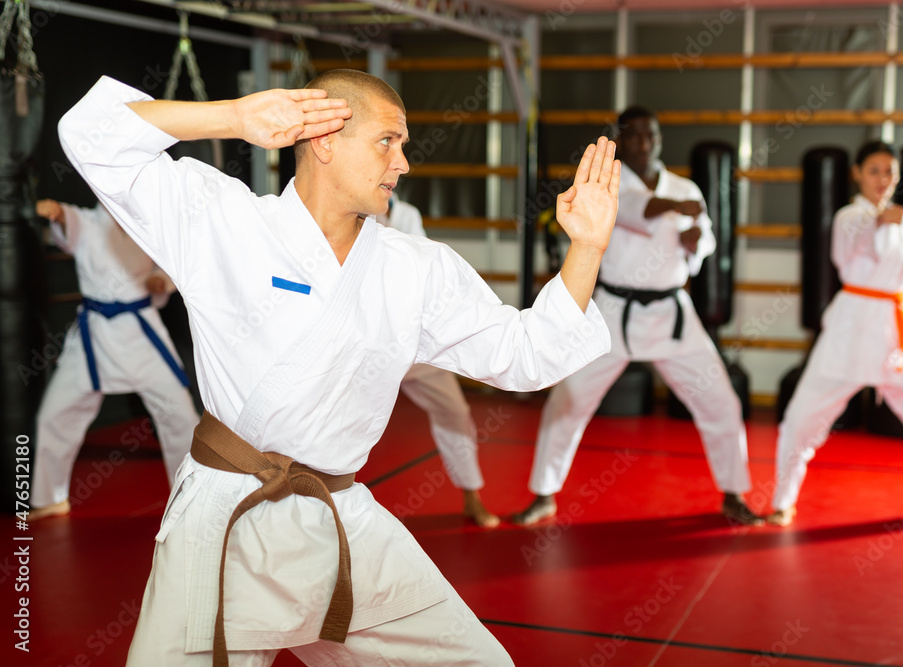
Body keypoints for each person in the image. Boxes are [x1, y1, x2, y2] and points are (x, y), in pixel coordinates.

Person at [58, 70, 619, 666]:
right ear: (324, 139)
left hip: (339, 518)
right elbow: (90, 133)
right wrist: (233, 117)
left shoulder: (416, 269)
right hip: (226, 518)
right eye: (388, 141)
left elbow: (526, 354)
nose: (403, 163)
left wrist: (586, 248)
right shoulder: (225, 222)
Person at [513, 105, 759, 527]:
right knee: (568, 400)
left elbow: (706, 243)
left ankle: (734, 493)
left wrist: (696, 239)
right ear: (621, 141)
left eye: (651, 136)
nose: (644, 144)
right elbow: (635, 211)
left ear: (660, 141)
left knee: (721, 400)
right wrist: (675, 210)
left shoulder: (686, 188)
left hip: (671, 312)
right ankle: (544, 494)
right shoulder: (610, 185)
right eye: (635, 136)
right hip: (611, 311)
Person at [767, 141, 903, 527]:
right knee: (802, 416)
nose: (882, 180)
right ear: (856, 173)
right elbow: (850, 258)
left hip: (893, 332)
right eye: (874, 171)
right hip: (850, 329)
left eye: (889, 172)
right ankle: (782, 501)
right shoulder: (851, 217)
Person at [28, 198, 200, 521]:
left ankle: (193, 498)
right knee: (55, 413)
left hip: (141, 331)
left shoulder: (148, 219)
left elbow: (174, 262)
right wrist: (57, 213)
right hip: (95, 334)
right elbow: (69, 219)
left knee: (180, 415)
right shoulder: (89, 221)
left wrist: (161, 280)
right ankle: (49, 496)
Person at [375, 193, 499, 527]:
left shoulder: (407, 215)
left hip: (412, 341)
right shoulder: (347, 208)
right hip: (367, 344)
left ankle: (472, 496)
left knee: (455, 412)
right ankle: (325, 504)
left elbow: (414, 275)